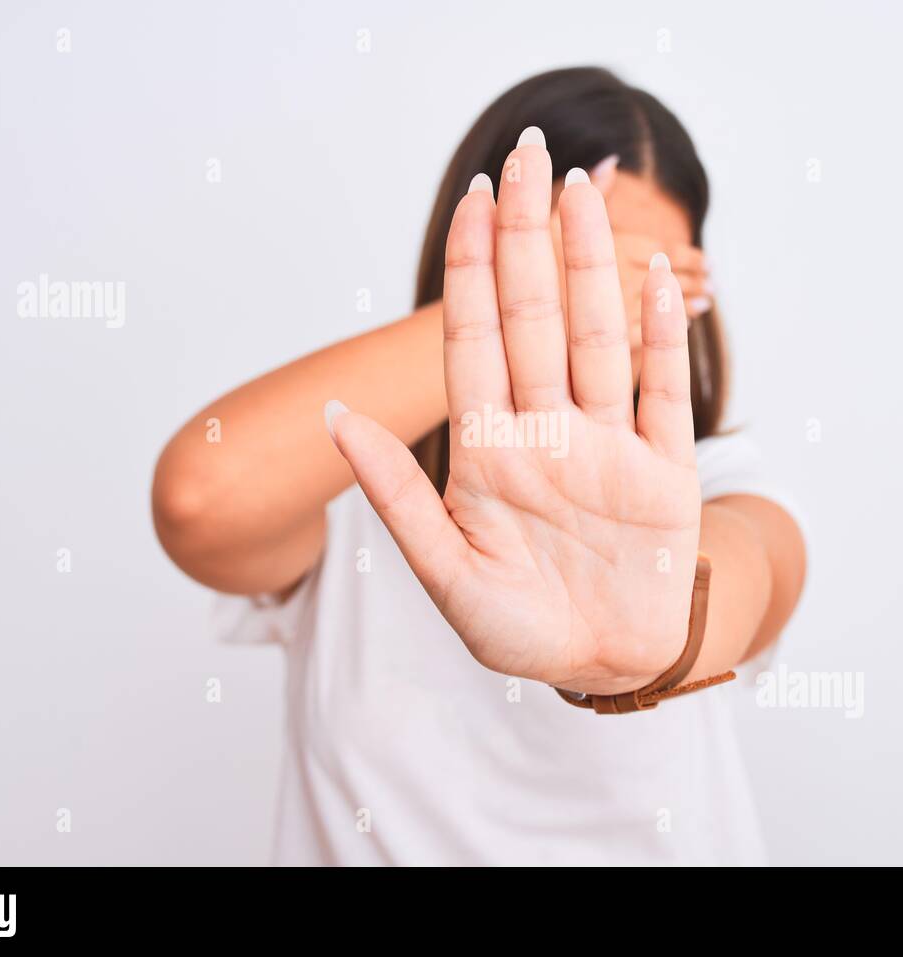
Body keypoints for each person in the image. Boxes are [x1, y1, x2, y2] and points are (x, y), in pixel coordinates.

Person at [152, 66, 807, 865]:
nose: (598, 301)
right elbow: (198, 495)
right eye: (579, 266)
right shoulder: (353, 503)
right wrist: (510, 303)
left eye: (637, 280)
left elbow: (754, 575)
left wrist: (649, 641)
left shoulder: (725, 488)